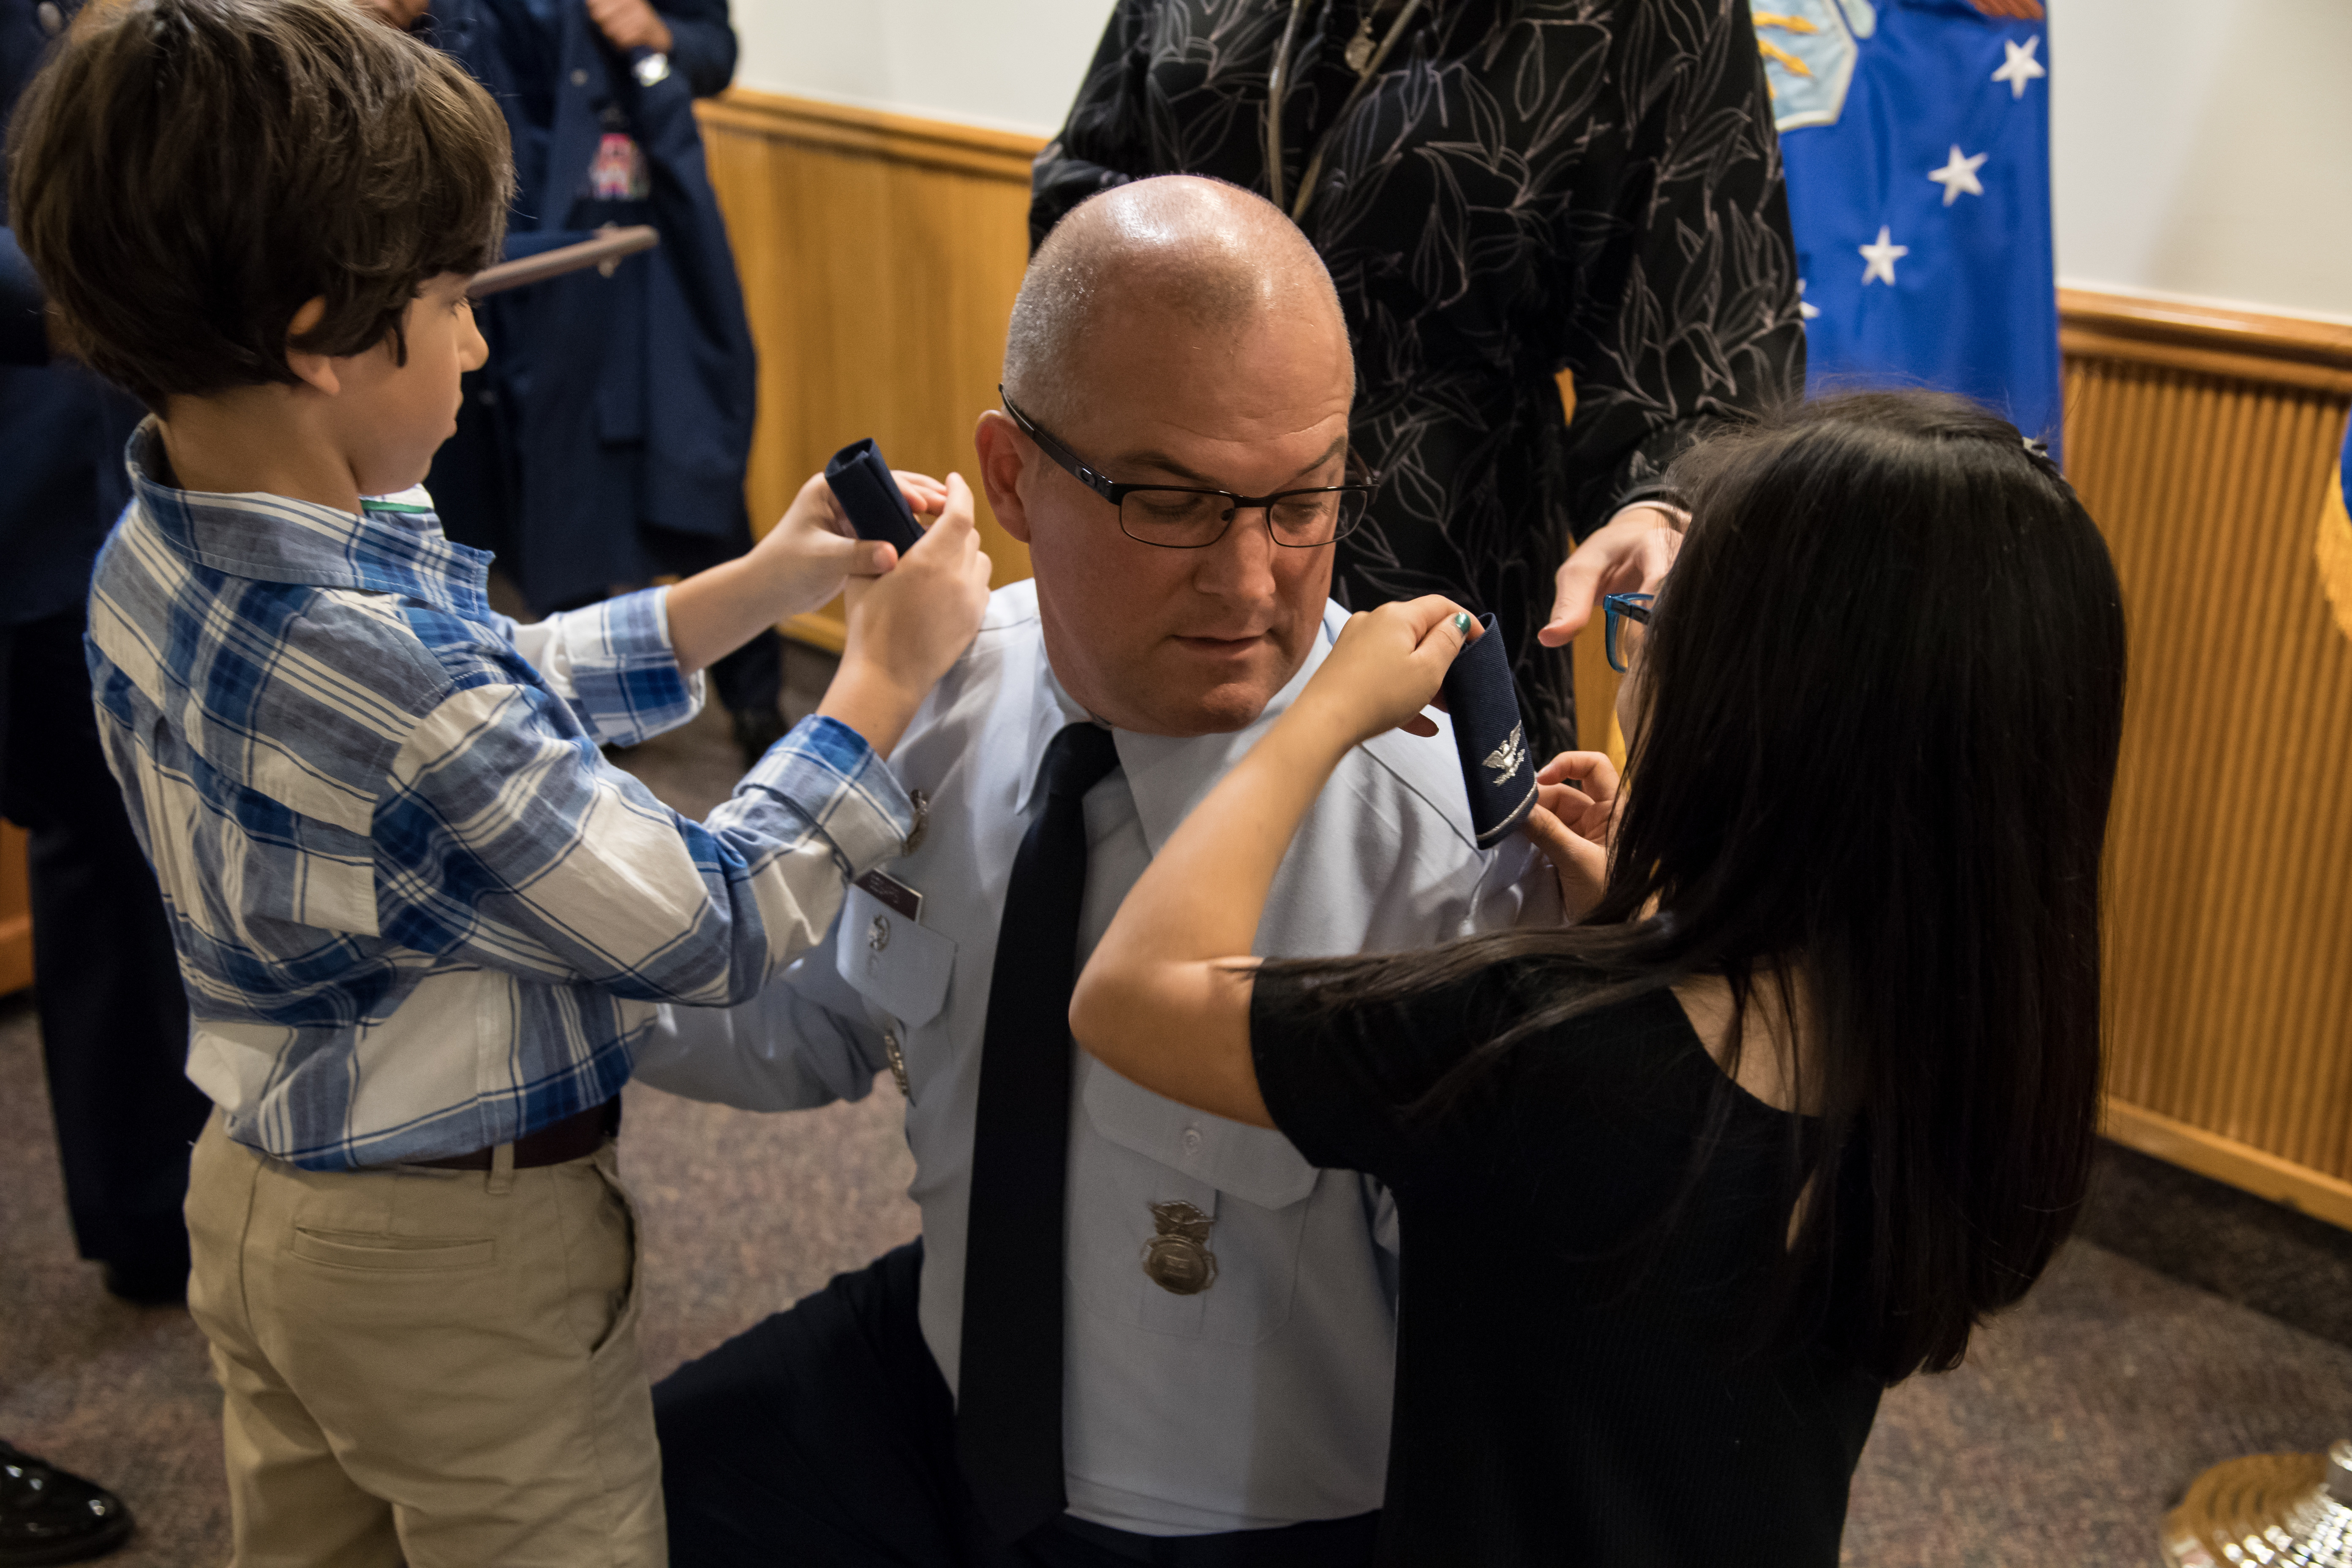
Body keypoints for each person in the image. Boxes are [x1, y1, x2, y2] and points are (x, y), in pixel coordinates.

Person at [9, 1, 992, 1561]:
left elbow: (498, 694)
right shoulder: (385, 675)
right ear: (322, 335)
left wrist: (755, 580)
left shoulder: (165, 539)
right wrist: (874, 685)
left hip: (260, 1195)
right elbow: (710, 921)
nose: (477, 338)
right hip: (455, 1268)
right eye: (455, 300)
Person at [634, 175, 1556, 1566]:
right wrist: (535, 985)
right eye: (1174, 503)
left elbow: (1521, 1344)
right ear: (1010, 480)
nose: (1252, 586)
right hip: (947, 1384)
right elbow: (800, 1024)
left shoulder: (1429, 828)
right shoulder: (941, 694)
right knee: (594, 1505)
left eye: (1298, 502)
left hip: (1245, 1516)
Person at [1069, 393, 2129, 1565]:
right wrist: (1653, 926)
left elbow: (1134, 992)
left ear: (1752, 713)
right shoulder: (1965, 1059)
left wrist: (1317, 718)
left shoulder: (1537, 1048)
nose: (1641, 649)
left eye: (1668, 622)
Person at [1032, 0, 1808, 761]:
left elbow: (1706, 335)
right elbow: (1089, 196)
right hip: (1162, 533)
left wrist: (1665, 502)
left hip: (1441, 549)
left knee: (1406, 869)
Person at [363, 0, 785, 761]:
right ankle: (587, 718)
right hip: (491, 241)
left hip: (630, 244)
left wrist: (659, 36)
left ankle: (756, 698)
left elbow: (713, 50)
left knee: (689, 461)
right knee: (547, 480)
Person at [0, 0, 208, 1314]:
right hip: (26, 505)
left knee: (179, 849)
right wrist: (121, 286)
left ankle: (206, 1183)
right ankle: (144, 1215)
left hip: (150, 475)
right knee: (94, 860)